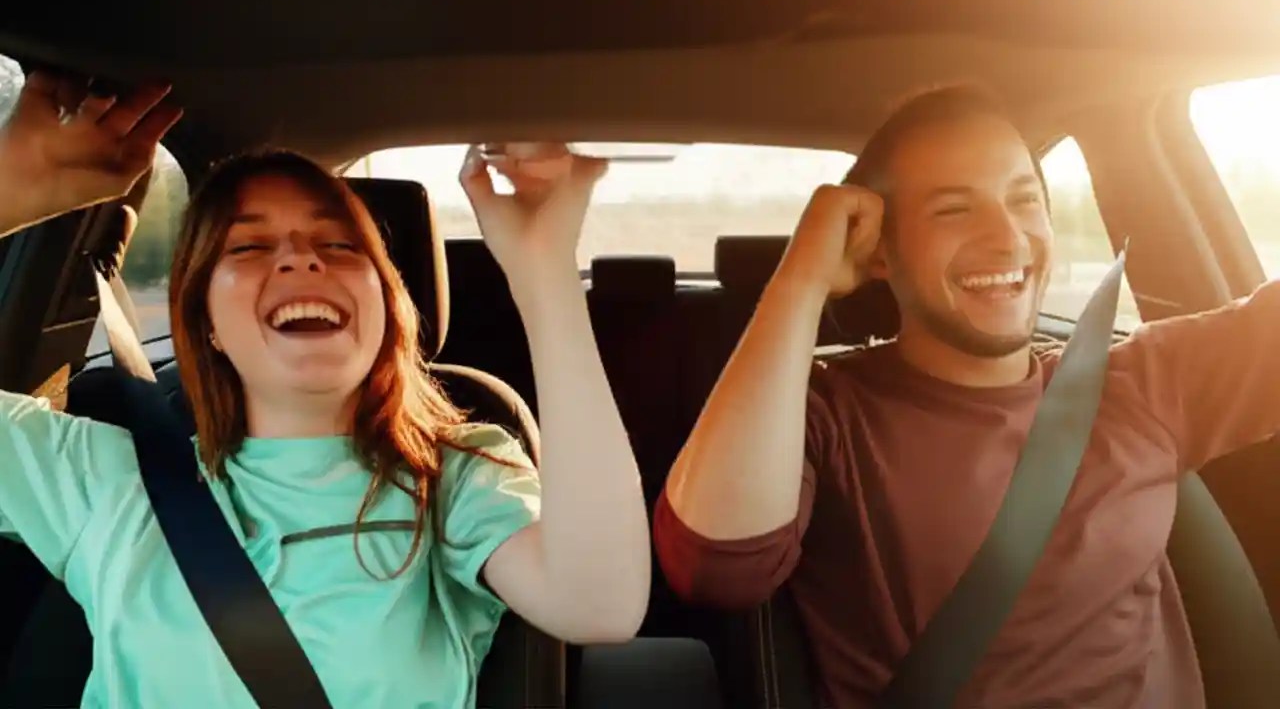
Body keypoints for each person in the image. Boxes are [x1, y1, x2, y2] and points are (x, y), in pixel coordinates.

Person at [0, 70, 650, 707]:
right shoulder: (99, 477)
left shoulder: (454, 474)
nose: (299, 258)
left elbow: (598, 605)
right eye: (250, 247)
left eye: (339, 244)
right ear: (206, 323)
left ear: (387, 304)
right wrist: (14, 183)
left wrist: (543, 263)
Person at [653, 84, 1280, 708]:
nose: (1006, 239)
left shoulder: (1142, 383)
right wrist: (801, 278)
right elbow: (716, 566)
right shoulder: (826, 416)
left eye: (1024, 201)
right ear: (879, 251)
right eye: (954, 210)